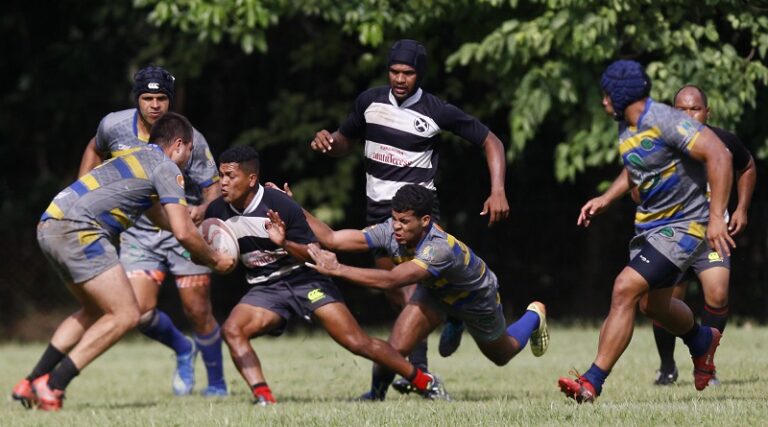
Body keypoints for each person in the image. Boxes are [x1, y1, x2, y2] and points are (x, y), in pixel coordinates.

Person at [310, 39, 510, 392]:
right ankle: (447, 320)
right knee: (395, 295)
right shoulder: (369, 102)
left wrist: (497, 190)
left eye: (408, 73)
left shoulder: (436, 110)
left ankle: (416, 372)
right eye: (395, 71)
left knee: (406, 290)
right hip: (377, 212)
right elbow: (345, 141)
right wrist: (329, 143)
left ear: (420, 74)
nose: (400, 79)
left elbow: (490, 141)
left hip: (418, 215)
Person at [11, 113, 235, 411]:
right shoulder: (167, 168)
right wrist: (214, 258)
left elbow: (159, 216)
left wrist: (196, 239)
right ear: (179, 145)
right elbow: (182, 232)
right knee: (127, 314)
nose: (189, 158)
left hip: (50, 224)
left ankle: (31, 380)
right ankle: (53, 385)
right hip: (81, 231)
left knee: (94, 309)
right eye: (190, 151)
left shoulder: (137, 156)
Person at [205, 146, 447, 405]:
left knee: (357, 342)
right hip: (266, 287)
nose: (224, 183)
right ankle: (265, 399)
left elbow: (315, 255)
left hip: (306, 278)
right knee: (232, 330)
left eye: (231, 176)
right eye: (222, 176)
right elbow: (207, 250)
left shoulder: (279, 205)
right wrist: (213, 259)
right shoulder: (216, 212)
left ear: (251, 179)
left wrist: (284, 242)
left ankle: (425, 381)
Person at [557, 60, 735, 403]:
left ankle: (592, 381)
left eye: (607, 96)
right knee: (654, 307)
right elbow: (638, 166)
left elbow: (720, 156)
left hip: (685, 225)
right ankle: (702, 341)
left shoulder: (666, 120)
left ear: (621, 95)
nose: (603, 102)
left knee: (624, 287)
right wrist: (607, 197)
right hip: (651, 225)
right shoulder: (628, 126)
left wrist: (716, 217)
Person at [274, 183, 548, 401]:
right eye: (394, 219)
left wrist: (338, 270)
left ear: (425, 220)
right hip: (435, 294)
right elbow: (333, 238)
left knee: (501, 355)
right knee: (394, 349)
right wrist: (292, 206)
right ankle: (375, 396)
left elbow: (393, 280)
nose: (397, 227)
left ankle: (534, 315)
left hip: (474, 298)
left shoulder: (438, 248)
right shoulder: (391, 231)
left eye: (404, 221)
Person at [78, 66, 227, 396]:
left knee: (198, 310)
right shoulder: (114, 126)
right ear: (137, 99)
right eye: (148, 98)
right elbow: (94, 147)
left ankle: (217, 384)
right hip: (139, 232)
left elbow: (212, 187)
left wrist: (201, 210)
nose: (155, 105)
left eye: (161, 98)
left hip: (185, 229)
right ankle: (182, 349)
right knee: (138, 311)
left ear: (170, 101)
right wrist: (83, 187)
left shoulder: (189, 138)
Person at [650, 84, 756, 386]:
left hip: (711, 236)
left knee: (719, 292)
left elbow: (747, 166)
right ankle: (667, 366)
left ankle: (706, 365)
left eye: (694, 108)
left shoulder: (723, 141)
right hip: (671, 235)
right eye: (681, 109)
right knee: (667, 301)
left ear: (707, 112)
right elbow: (637, 183)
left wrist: (742, 208)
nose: (688, 114)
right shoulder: (661, 143)